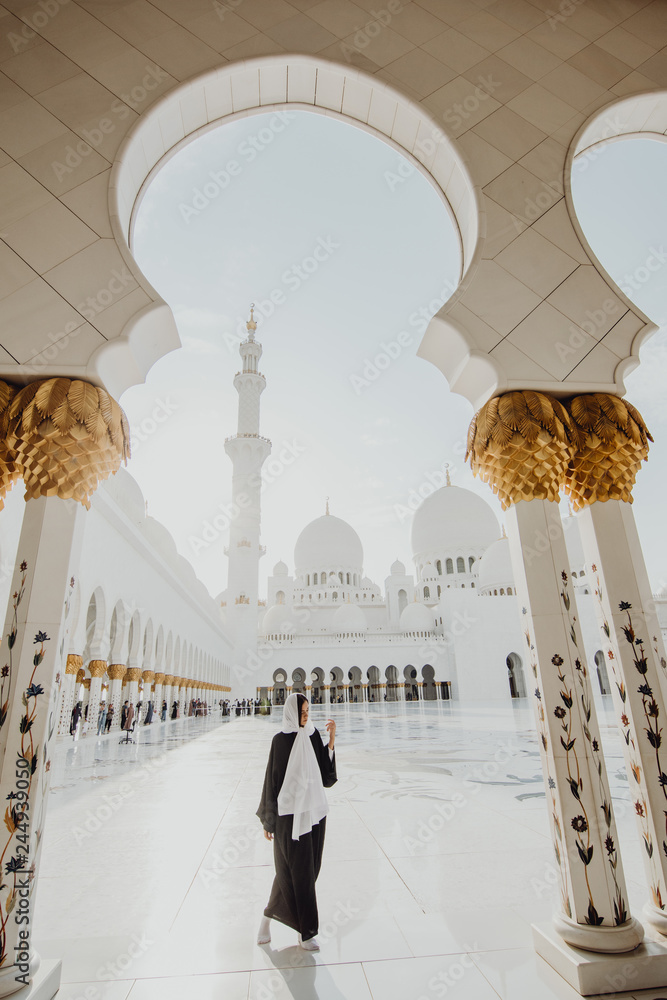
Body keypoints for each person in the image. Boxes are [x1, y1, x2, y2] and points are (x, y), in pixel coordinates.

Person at [256, 693, 336, 952]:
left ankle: (267, 918)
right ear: (291, 712)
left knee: (307, 870)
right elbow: (271, 781)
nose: (305, 716)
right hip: (288, 818)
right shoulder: (280, 741)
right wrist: (268, 822)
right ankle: (306, 933)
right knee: (293, 871)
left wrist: (331, 742)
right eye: (302, 712)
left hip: (313, 814)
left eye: (308, 711)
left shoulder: (312, 735)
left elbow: (326, 775)